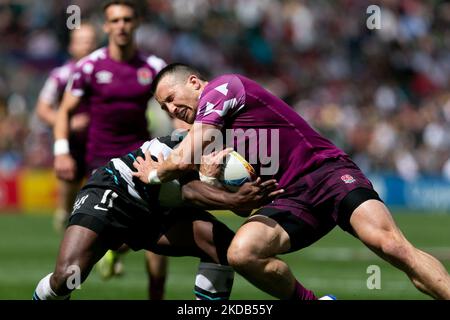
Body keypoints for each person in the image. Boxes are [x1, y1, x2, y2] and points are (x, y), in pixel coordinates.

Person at [132, 63, 450, 300]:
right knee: (242, 253)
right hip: (289, 199)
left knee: (391, 246)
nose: (172, 109)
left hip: (326, 174)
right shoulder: (214, 144)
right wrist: (214, 182)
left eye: (172, 98)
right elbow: (246, 208)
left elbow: (184, 156)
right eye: (164, 107)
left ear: (194, 82)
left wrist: (156, 174)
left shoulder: (223, 88)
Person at [33, 135, 282, 300]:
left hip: (158, 211)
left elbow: (241, 207)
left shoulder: (242, 150)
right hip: (115, 193)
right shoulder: (184, 141)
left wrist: (244, 195)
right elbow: (189, 192)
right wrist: (228, 195)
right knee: (68, 277)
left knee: (221, 247)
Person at [52, 0, 167, 299]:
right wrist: (62, 150)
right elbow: (64, 111)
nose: (121, 26)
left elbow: (175, 106)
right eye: (114, 21)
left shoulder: (153, 67)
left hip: (141, 159)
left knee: (157, 234)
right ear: (106, 26)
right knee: (87, 249)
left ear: (137, 22)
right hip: (101, 163)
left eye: (127, 19)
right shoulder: (88, 66)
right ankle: (111, 252)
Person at [35, 23, 97, 232]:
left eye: (90, 41)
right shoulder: (60, 75)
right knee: (68, 204)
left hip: (100, 144)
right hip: (71, 145)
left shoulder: (104, 71)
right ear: (71, 46)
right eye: (82, 41)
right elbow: (42, 109)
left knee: (102, 196)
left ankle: (108, 253)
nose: (87, 46)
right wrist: (68, 124)